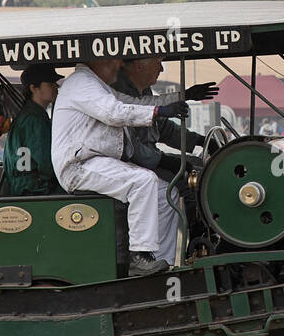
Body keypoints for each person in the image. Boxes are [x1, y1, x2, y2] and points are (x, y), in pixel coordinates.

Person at [51, 55, 194, 277]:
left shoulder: (97, 84)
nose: (119, 65)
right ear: (97, 61)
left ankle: (161, 261)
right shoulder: (81, 83)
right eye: (114, 60)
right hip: (78, 166)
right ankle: (139, 257)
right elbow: (114, 113)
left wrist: (178, 99)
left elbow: (133, 104)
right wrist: (159, 112)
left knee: (164, 192)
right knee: (143, 181)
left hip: (95, 161)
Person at [112, 58, 215, 181]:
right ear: (139, 66)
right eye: (157, 62)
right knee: (195, 180)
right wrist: (164, 161)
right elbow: (131, 146)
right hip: (131, 166)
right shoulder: (119, 93)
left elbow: (163, 128)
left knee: (199, 164)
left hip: (149, 158)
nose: (161, 69)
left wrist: (200, 140)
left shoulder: (144, 90)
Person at [3, 63, 65, 196]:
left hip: (23, 186)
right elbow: (47, 164)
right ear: (34, 88)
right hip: (36, 188)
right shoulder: (35, 119)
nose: (56, 86)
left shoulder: (27, 114)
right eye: (50, 83)